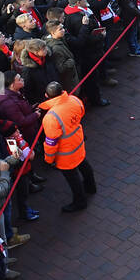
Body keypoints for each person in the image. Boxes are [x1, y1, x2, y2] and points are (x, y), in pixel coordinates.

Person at [40, 81, 95, 213]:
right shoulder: (74, 100)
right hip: (77, 141)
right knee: (83, 163)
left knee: (73, 178)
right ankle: (91, 187)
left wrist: (49, 160)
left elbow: (51, 143)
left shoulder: (50, 117)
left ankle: (80, 202)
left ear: (47, 96)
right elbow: (81, 114)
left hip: (65, 152)